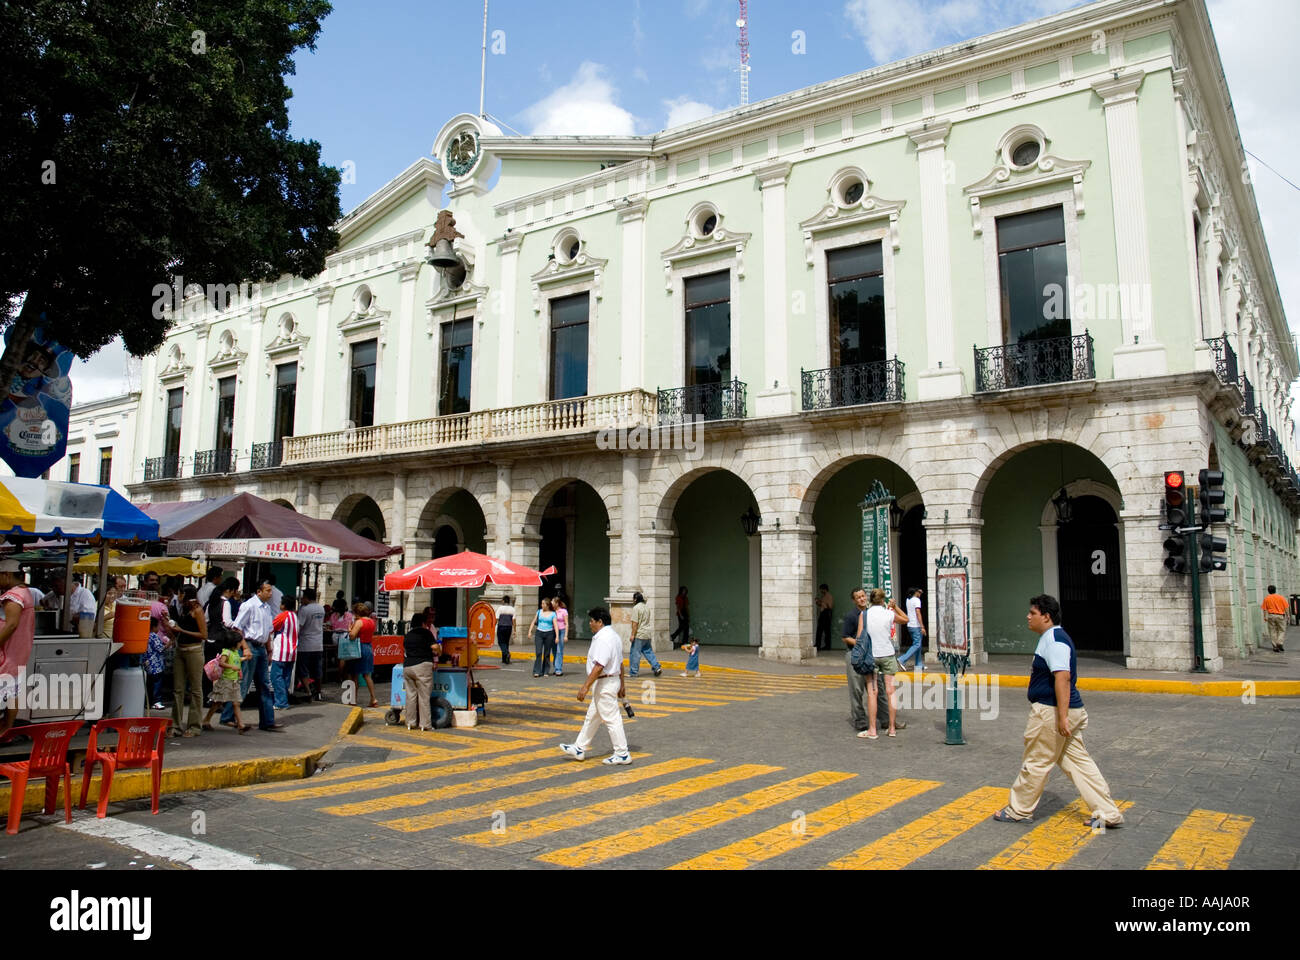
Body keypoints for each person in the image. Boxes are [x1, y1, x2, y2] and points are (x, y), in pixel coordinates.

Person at [993, 594, 1125, 828]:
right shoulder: (1051, 637)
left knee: (1036, 761)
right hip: (1064, 711)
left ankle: (1019, 810)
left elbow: (1062, 678)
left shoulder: (1054, 639)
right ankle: (1107, 813)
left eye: (1032, 613)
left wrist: (1061, 717)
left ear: (1046, 617)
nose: (1028, 616)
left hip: (1052, 712)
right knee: (1079, 763)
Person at [560, 606, 630, 765]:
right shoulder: (614, 636)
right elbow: (620, 663)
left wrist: (585, 687)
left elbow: (599, 666)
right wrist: (622, 684)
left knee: (612, 719)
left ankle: (622, 753)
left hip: (605, 682)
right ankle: (579, 747)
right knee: (592, 717)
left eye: (592, 621)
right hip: (609, 681)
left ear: (600, 622)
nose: (590, 624)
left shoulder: (604, 638)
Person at [842, 586, 906, 736]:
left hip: (873, 655)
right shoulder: (853, 616)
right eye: (858, 597)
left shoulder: (870, 613)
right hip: (856, 655)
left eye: (863, 596)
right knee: (857, 690)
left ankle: (885, 721)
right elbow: (846, 637)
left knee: (879, 690)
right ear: (854, 600)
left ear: (867, 597)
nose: (861, 599)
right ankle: (861, 722)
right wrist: (861, 646)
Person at [227, 579, 280, 730]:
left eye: (271, 591)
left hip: (261, 647)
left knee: (264, 684)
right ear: (259, 592)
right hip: (250, 645)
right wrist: (245, 648)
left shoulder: (267, 608)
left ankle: (267, 721)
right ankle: (228, 716)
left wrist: (269, 649)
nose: (270, 593)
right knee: (243, 684)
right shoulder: (248, 606)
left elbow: (268, 630)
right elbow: (237, 628)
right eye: (267, 590)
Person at [0, 560, 37, 738]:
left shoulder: (13, 596)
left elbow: (11, 625)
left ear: (6, 575)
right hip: (19, 652)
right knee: (12, 690)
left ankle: (6, 727)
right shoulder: (25, 592)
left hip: (8, 652)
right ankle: (7, 728)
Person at [169, 584, 208, 737]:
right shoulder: (182, 608)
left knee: (195, 690)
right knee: (178, 689)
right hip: (181, 649)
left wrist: (181, 630)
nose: (178, 596)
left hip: (194, 651)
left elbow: (203, 634)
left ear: (184, 594)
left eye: (179, 593)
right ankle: (176, 725)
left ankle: (194, 726)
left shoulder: (197, 610)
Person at [201, 636, 250, 734]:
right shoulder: (226, 652)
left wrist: (244, 658)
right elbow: (221, 663)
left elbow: (236, 660)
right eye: (239, 642)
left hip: (234, 682)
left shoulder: (235, 653)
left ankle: (241, 725)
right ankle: (206, 720)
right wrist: (232, 666)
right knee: (218, 702)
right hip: (225, 681)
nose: (241, 644)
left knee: (236, 703)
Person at [402, 611, 441, 731]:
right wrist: (439, 651)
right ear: (423, 623)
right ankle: (425, 724)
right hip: (422, 666)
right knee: (424, 697)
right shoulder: (426, 633)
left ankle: (410, 723)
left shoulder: (408, 635)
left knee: (410, 696)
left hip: (408, 667)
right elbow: (435, 647)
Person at [269, 595, 299, 710]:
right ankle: (283, 699)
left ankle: (281, 702)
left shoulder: (282, 616)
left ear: (284, 605)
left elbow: (270, 628)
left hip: (281, 650)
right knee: (285, 677)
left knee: (276, 676)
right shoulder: (295, 616)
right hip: (292, 651)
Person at [348, 602, 380, 707]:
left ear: (357, 613)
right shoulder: (371, 621)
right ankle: (373, 698)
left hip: (359, 648)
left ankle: (353, 699)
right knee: (367, 675)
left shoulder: (359, 622)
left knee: (354, 674)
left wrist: (349, 630)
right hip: (368, 647)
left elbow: (352, 636)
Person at [296, 588, 326, 701]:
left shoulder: (305, 610)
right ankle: (318, 692)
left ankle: (308, 692)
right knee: (317, 670)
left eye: (303, 597)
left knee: (303, 669)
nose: (301, 600)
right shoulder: (321, 608)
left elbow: (299, 626)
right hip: (318, 644)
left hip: (305, 644)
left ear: (307, 598)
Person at [628, 591, 661, 677]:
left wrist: (632, 635)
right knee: (648, 651)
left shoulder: (636, 608)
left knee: (635, 654)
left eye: (633, 599)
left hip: (639, 634)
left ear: (635, 599)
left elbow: (635, 623)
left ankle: (633, 672)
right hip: (647, 634)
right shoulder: (646, 608)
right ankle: (656, 667)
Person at [897, 587, 926, 673]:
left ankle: (918, 665)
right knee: (917, 644)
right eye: (919, 593)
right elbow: (918, 613)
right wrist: (922, 626)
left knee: (918, 645)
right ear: (916, 592)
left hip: (910, 625)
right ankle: (902, 659)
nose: (920, 595)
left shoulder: (908, 600)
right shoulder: (916, 600)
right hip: (916, 625)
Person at [144, 616, 170, 709]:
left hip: (147, 664)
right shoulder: (154, 636)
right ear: (154, 627)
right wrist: (169, 643)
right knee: (157, 683)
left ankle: (147, 701)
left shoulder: (144, 635)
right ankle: (156, 701)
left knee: (148, 684)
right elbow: (160, 648)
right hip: (156, 665)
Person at [529, 597, 557, 678]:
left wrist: (557, 637)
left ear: (547, 605)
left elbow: (555, 626)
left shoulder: (553, 614)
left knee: (547, 654)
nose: (542, 605)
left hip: (549, 634)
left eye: (543, 603)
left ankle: (545, 671)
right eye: (541, 603)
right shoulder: (539, 612)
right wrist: (530, 631)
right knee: (538, 652)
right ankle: (537, 671)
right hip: (539, 633)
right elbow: (533, 621)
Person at [1261, 585, 1288, 652]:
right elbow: (1286, 607)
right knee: (1281, 630)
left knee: (1272, 631)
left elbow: (1264, 609)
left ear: (1268, 591)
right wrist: (1288, 615)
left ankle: (1275, 646)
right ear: (1275, 590)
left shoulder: (1266, 598)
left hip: (1271, 616)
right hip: (1280, 616)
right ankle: (1279, 642)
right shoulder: (1281, 597)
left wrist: (1265, 617)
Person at [495, 595, 516, 665]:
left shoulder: (500, 608)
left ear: (503, 601)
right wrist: (515, 630)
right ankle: (505, 659)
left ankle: (506, 653)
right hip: (509, 627)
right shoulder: (512, 609)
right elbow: (514, 620)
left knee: (501, 642)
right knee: (506, 642)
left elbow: (497, 618)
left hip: (501, 626)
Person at [815, 584, 834, 651]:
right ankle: (822, 645)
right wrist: (819, 602)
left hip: (826, 613)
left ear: (824, 589)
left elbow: (829, 606)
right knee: (824, 630)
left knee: (823, 630)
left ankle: (821, 645)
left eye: (821, 589)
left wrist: (822, 602)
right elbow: (822, 605)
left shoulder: (828, 596)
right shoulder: (824, 596)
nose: (820, 591)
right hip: (824, 613)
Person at [553, 597, 569, 676]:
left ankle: (558, 669)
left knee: (559, 650)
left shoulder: (563, 611)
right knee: (554, 651)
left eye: (553, 602)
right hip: (553, 632)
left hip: (561, 631)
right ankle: (555, 667)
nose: (552, 603)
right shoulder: (553, 611)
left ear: (557, 603)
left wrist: (566, 635)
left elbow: (566, 623)